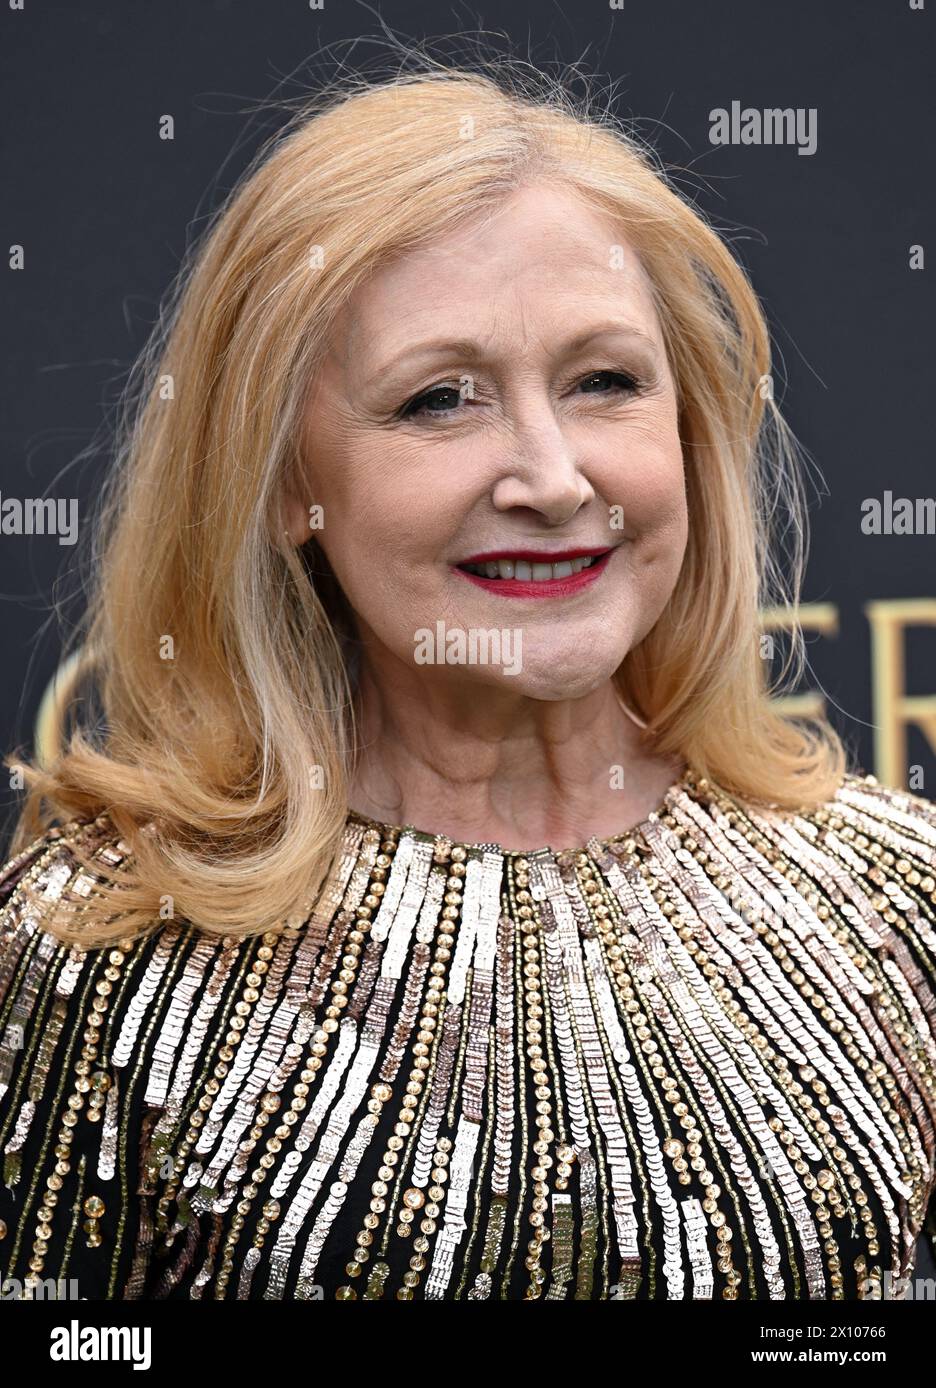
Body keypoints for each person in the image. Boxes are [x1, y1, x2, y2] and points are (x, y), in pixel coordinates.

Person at [1, 60, 935, 1302]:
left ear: (692, 435)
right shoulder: (99, 948)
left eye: (605, 381)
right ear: (282, 482)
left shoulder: (890, 898)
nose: (550, 477)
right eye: (439, 399)